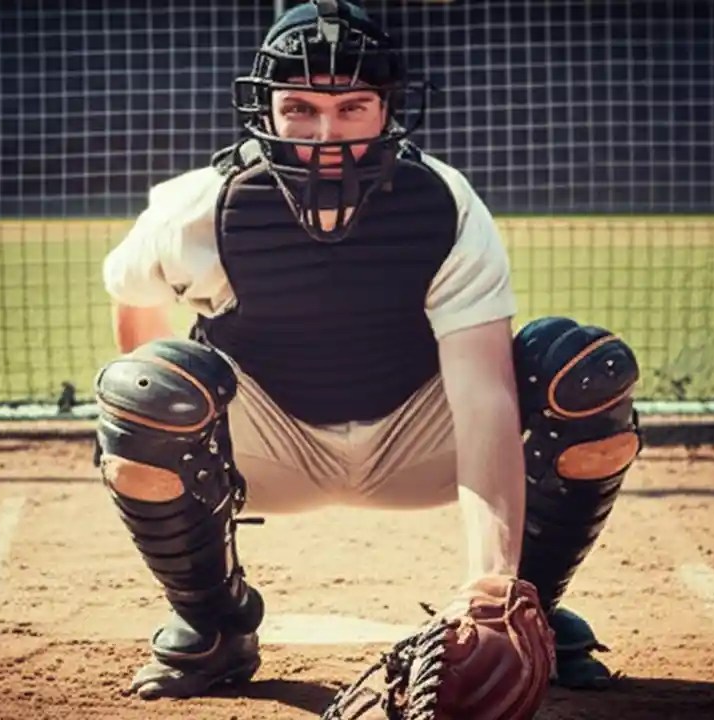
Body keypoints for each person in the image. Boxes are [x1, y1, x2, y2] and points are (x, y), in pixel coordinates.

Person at [94, 0, 642, 706]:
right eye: (300, 109)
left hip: (415, 444)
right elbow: (135, 309)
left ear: (389, 109)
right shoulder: (196, 209)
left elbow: (484, 395)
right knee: (144, 389)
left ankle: (526, 609)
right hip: (270, 450)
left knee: (580, 369)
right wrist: (166, 447)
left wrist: (492, 587)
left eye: (352, 107)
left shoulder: (444, 204)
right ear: (267, 110)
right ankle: (215, 624)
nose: (327, 134)